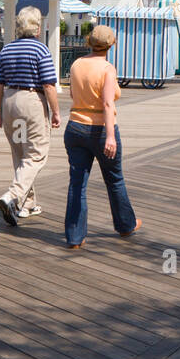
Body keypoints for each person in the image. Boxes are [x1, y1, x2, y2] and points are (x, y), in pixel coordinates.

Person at [62, 25, 139, 249]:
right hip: (101, 128)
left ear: (88, 42)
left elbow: (73, 94)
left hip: (75, 126)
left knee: (77, 184)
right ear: (111, 45)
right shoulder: (107, 68)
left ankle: (75, 237)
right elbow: (107, 103)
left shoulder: (76, 64)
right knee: (114, 179)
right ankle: (125, 225)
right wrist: (110, 137)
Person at [0, 6, 61, 227]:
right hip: (31, 102)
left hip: (10, 101)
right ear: (37, 28)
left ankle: (26, 204)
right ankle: (12, 196)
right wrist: (56, 112)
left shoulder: (7, 50)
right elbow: (49, 84)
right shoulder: (40, 50)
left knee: (21, 152)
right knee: (36, 154)